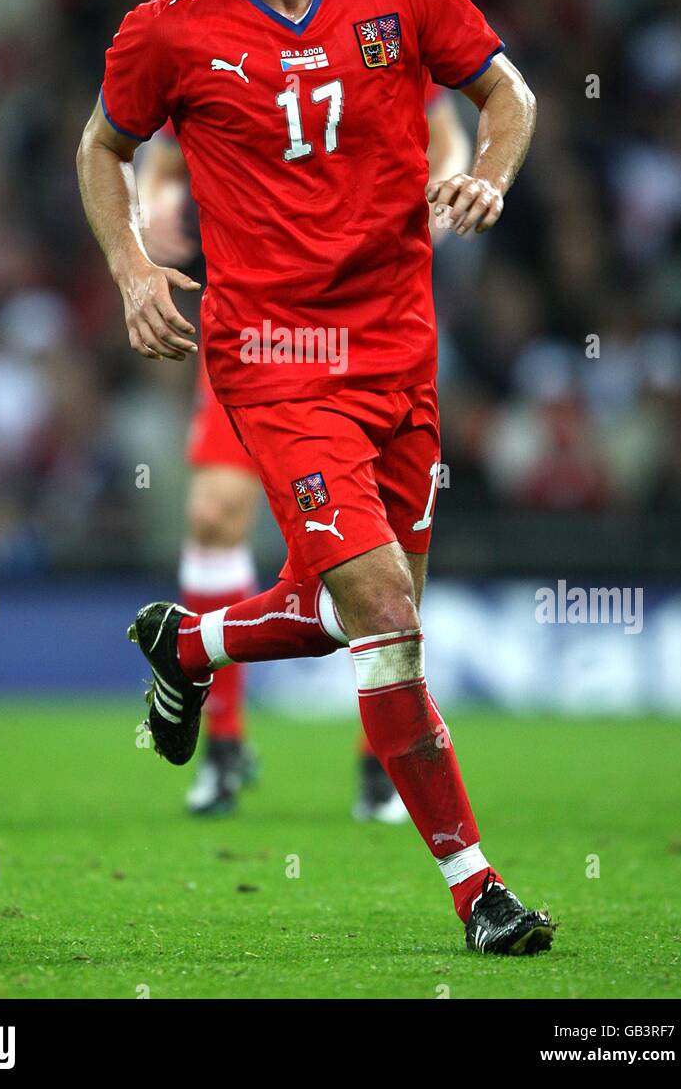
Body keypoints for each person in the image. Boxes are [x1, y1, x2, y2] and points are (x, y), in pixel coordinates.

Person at [77, 0, 553, 955]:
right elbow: (103, 146)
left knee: (356, 614)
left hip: (401, 350)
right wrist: (134, 266)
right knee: (384, 608)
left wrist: (488, 174)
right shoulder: (167, 29)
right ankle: (476, 887)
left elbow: (509, 93)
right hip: (276, 360)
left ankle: (187, 645)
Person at [137, 87, 470, 819]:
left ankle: (377, 759)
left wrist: (445, 196)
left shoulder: (376, 15)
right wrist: (152, 210)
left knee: (377, 566)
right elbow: (154, 153)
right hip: (259, 334)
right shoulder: (215, 37)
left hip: (369, 334)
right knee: (214, 513)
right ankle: (223, 747)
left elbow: (445, 129)